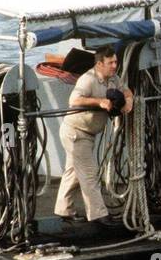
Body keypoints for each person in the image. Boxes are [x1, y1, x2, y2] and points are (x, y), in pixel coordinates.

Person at [54, 46, 134, 225]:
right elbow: (74, 100)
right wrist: (100, 102)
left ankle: (64, 209)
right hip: (75, 132)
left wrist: (128, 101)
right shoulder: (87, 79)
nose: (114, 66)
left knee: (74, 172)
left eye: (115, 62)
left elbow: (127, 91)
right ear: (99, 64)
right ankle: (98, 215)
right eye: (110, 63)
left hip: (88, 133)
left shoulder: (113, 78)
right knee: (89, 173)